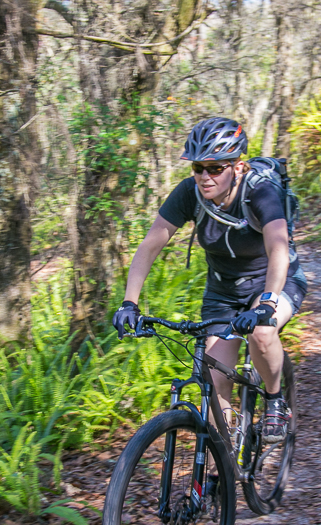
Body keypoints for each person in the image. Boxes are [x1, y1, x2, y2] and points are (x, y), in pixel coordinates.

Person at [111, 117, 308, 442]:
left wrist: (269, 302)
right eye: (198, 168)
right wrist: (129, 302)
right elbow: (149, 246)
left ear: (238, 167)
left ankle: (274, 401)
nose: (205, 176)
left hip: (276, 281)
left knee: (262, 333)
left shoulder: (260, 190)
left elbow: (278, 248)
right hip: (224, 290)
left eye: (215, 168)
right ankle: (224, 468)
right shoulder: (191, 194)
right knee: (216, 380)